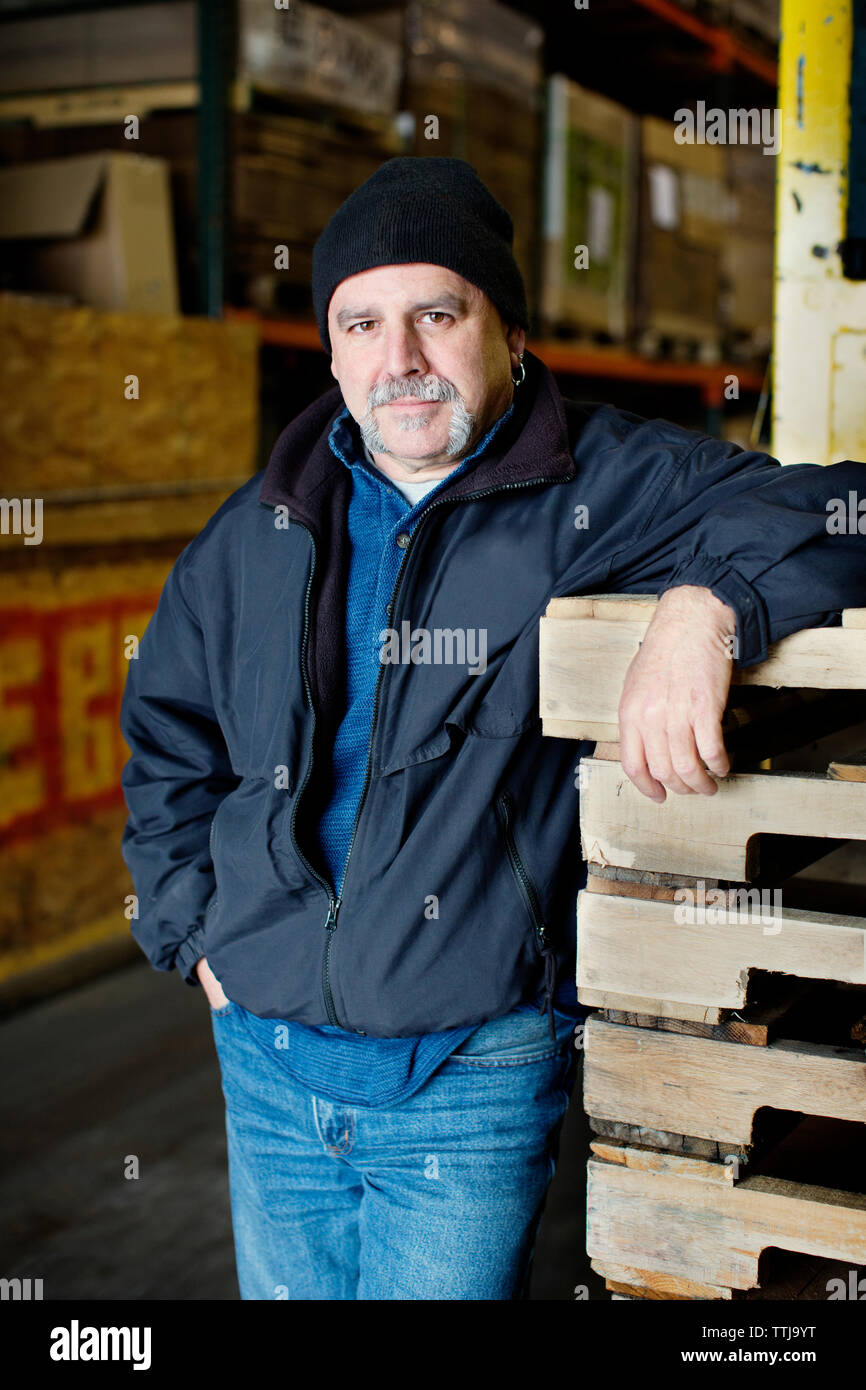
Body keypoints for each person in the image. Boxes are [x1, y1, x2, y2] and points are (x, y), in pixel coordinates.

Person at [120, 157, 866, 1300]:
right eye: (361, 323)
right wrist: (197, 936)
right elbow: (167, 731)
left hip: (464, 1070)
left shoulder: (601, 482)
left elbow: (842, 505)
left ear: (508, 330)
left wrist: (707, 603)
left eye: (436, 312)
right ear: (330, 352)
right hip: (262, 1058)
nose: (399, 358)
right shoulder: (261, 527)